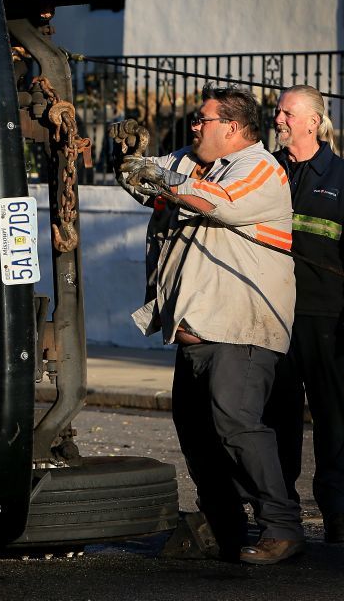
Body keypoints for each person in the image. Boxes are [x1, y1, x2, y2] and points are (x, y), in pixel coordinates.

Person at [121, 85, 303, 564]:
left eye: (204, 120)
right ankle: (225, 528)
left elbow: (219, 202)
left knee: (237, 425)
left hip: (240, 327)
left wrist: (157, 173)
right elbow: (146, 181)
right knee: (196, 432)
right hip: (197, 329)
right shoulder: (189, 161)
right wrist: (132, 159)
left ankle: (281, 528)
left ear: (234, 128)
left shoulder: (259, 168)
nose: (195, 126)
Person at [263, 85, 344, 544]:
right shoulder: (265, 170)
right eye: (276, 111)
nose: (278, 119)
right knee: (278, 418)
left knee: (331, 417)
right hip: (272, 314)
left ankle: (335, 511)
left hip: (324, 318)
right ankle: (280, 509)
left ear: (313, 121)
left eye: (287, 112)